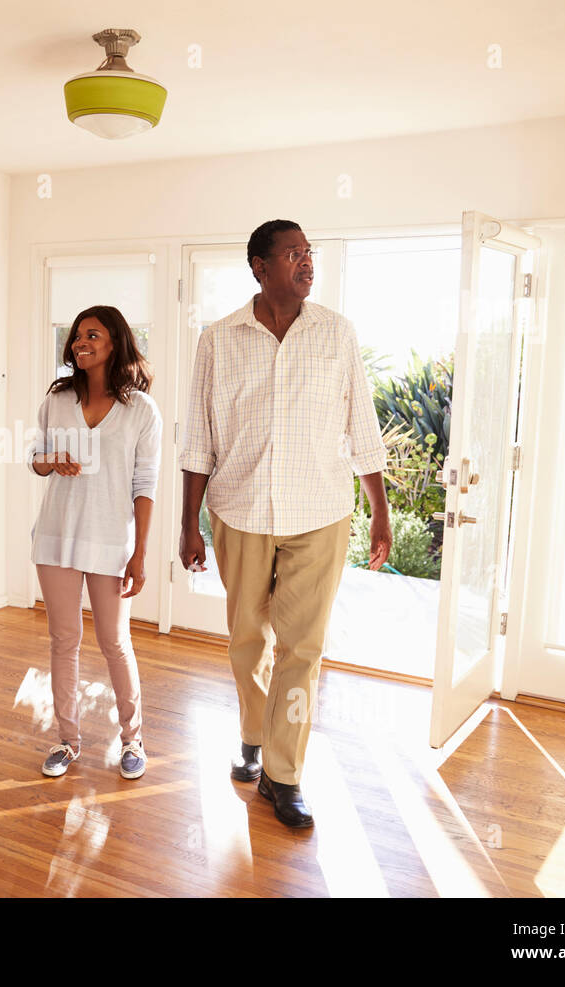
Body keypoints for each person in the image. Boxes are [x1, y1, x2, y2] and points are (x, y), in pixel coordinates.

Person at [178, 220, 392, 828]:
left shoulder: (336, 334)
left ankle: (283, 774)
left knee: (303, 647)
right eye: (293, 253)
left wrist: (379, 511)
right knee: (249, 641)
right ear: (258, 266)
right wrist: (188, 524)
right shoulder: (219, 340)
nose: (306, 262)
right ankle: (253, 732)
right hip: (239, 512)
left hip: (320, 513)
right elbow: (199, 438)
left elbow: (363, 427)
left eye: (309, 253)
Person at [28, 304, 162, 780]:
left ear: (114, 343)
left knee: (114, 642)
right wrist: (51, 460)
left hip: (110, 542)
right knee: (64, 640)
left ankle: (133, 739)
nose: (81, 343)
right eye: (77, 336)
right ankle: (67, 741)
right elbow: (35, 459)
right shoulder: (57, 400)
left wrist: (140, 553)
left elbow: (145, 484)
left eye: (93, 335)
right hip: (56, 537)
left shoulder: (140, 410)